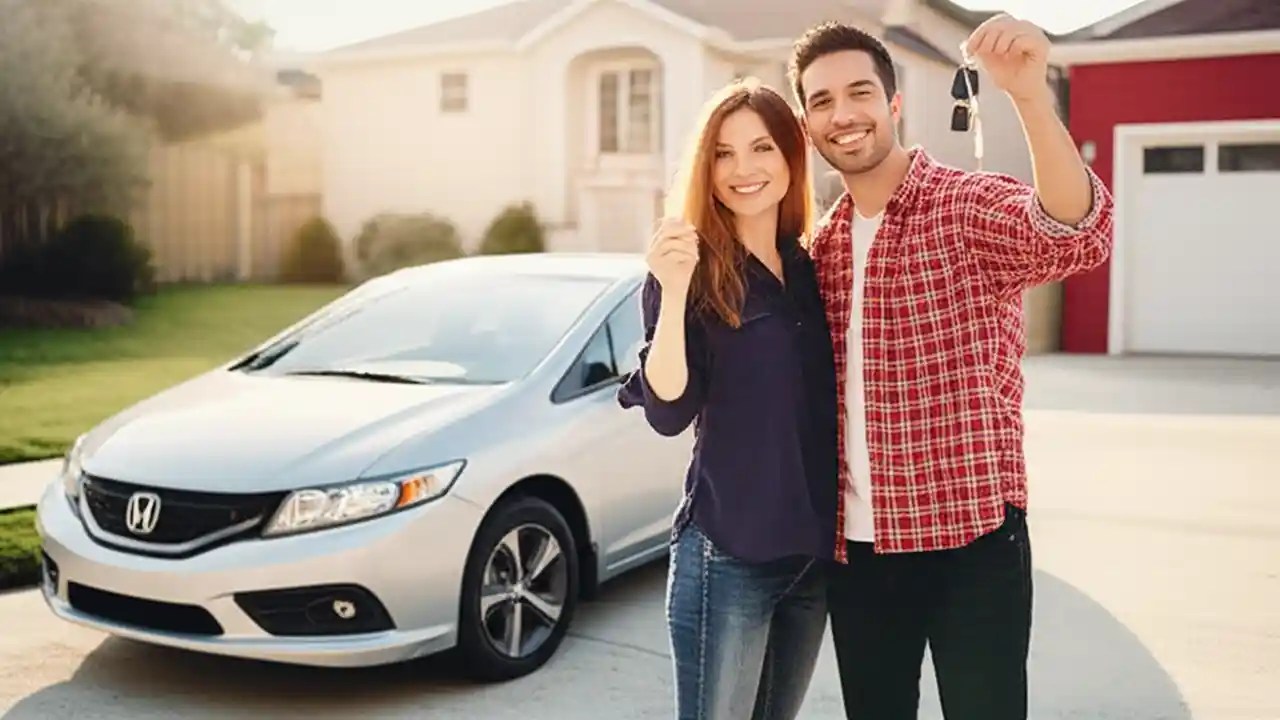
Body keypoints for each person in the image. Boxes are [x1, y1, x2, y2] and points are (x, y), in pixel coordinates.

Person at [787, 14, 1115, 720]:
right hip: (860, 556)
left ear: (894, 104)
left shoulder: (962, 207)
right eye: (821, 101)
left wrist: (1028, 96)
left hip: (973, 546)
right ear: (807, 124)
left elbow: (1077, 232)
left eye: (859, 93)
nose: (843, 114)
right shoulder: (820, 250)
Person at [616, 78, 839, 720]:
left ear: (790, 158)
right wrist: (676, 287)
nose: (743, 169)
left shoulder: (809, 266)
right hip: (729, 557)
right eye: (723, 152)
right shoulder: (690, 268)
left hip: (812, 561)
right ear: (704, 166)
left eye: (761, 148)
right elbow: (667, 412)